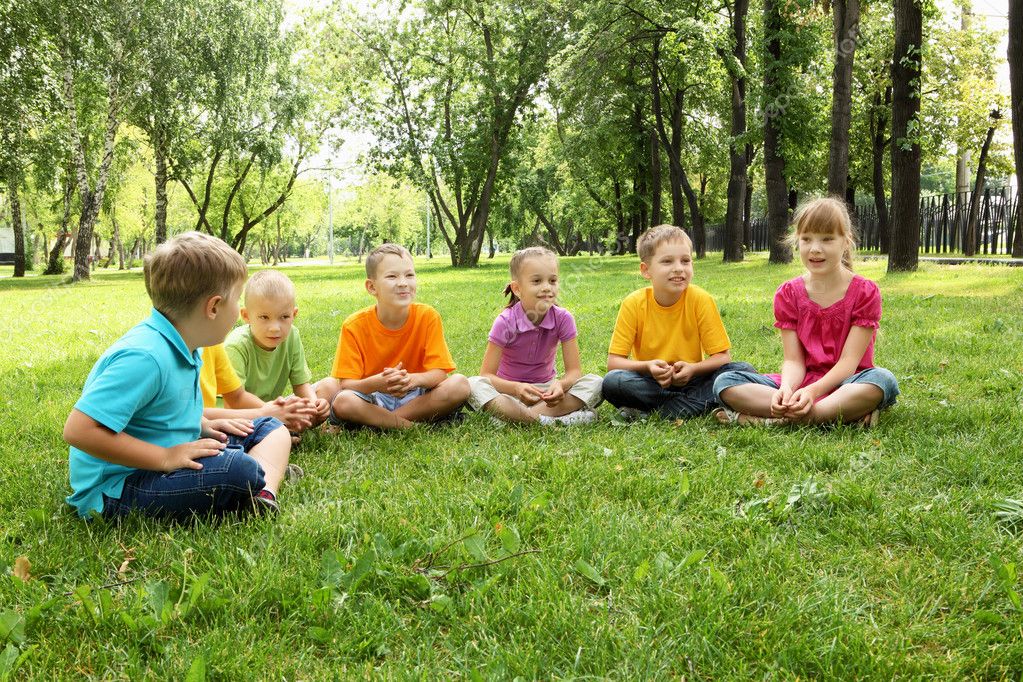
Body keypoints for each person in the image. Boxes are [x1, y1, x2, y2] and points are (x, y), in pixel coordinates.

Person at [63, 232, 292, 519]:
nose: (237, 312)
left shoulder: (186, 344)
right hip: (123, 485)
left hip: (175, 452)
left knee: (269, 427)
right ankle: (255, 480)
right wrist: (165, 457)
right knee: (240, 470)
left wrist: (203, 425)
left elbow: (159, 412)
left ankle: (261, 495)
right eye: (237, 301)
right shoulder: (145, 357)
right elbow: (78, 430)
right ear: (214, 307)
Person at [712, 197, 899, 426]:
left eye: (827, 239)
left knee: (883, 381)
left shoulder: (865, 292)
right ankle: (838, 415)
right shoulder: (788, 294)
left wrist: (813, 391)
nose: (815, 249)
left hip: (848, 383)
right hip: (801, 384)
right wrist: (786, 390)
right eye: (806, 239)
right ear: (797, 241)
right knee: (725, 382)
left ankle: (776, 421)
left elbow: (849, 362)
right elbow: (793, 361)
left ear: (845, 242)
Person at [602, 224, 755, 420]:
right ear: (646, 270)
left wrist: (692, 369)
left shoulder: (701, 299)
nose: (678, 269)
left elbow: (722, 358)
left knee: (742, 370)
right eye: (667, 261)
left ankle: (658, 411)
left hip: (694, 378)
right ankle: (691, 405)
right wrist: (648, 366)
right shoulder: (633, 304)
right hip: (651, 382)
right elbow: (614, 363)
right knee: (613, 382)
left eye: (685, 261)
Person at [315, 244, 470, 430]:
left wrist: (411, 380)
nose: (403, 282)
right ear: (372, 287)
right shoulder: (353, 325)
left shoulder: (428, 316)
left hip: (417, 397)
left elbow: (439, 374)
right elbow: (347, 384)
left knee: (460, 384)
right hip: (372, 398)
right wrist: (379, 383)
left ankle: (383, 422)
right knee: (343, 400)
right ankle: (407, 426)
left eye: (409, 275)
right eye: (392, 276)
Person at [467, 247, 603, 425]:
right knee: (473, 384)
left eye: (552, 281)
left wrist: (561, 385)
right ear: (517, 288)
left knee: (597, 382)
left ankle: (513, 418)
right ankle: (551, 420)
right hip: (509, 392)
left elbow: (574, 372)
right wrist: (516, 388)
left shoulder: (563, 319)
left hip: (546, 393)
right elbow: (486, 375)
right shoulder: (505, 321)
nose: (547, 287)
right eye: (537, 281)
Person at [225, 270, 330, 431]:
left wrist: (313, 404)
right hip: (238, 415)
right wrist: (273, 413)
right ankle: (277, 430)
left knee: (329, 387)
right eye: (264, 317)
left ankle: (280, 428)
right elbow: (235, 400)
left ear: (294, 314)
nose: (275, 328)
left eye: (284, 317)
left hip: (275, 410)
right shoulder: (236, 345)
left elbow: (301, 384)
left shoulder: (292, 335)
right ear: (246, 315)